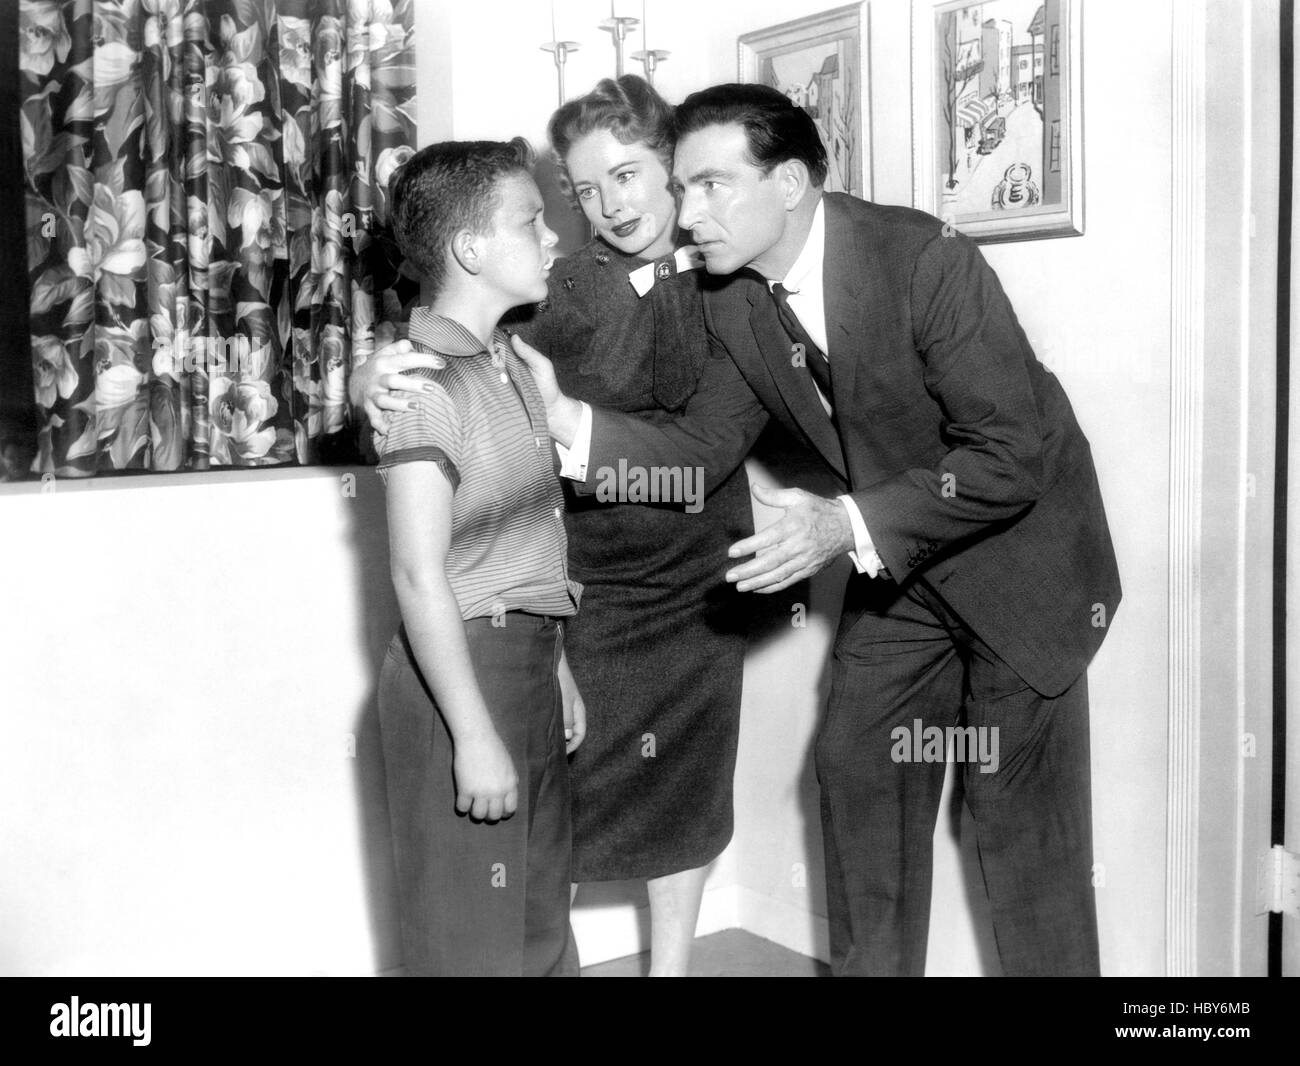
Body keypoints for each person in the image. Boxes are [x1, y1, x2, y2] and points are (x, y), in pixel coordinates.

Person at [516, 83, 1123, 977]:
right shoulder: (733, 297)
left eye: (710, 186)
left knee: (1018, 828)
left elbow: (1009, 456)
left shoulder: (923, 261)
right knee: (857, 773)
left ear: (791, 182)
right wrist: (567, 419)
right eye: (681, 187)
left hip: (1021, 561)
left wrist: (845, 525)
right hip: (903, 566)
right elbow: (702, 444)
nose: (686, 214)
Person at [355, 78, 753, 977]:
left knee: (598, 859)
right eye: (576, 195)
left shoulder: (741, 289)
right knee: (501, 891)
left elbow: (705, 447)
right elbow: (443, 352)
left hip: (672, 594)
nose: (601, 209)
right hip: (557, 604)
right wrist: (371, 381)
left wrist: (569, 422)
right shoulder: (551, 290)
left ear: (677, 171)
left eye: (627, 176)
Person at [374, 137, 583, 976]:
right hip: (458, 676)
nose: (552, 238)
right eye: (531, 222)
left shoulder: (513, 365)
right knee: (471, 946)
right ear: (471, 249)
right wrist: (472, 733)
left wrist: (555, 664)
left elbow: (523, 543)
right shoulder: (420, 384)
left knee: (538, 925)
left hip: (525, 664)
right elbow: (418, 574)